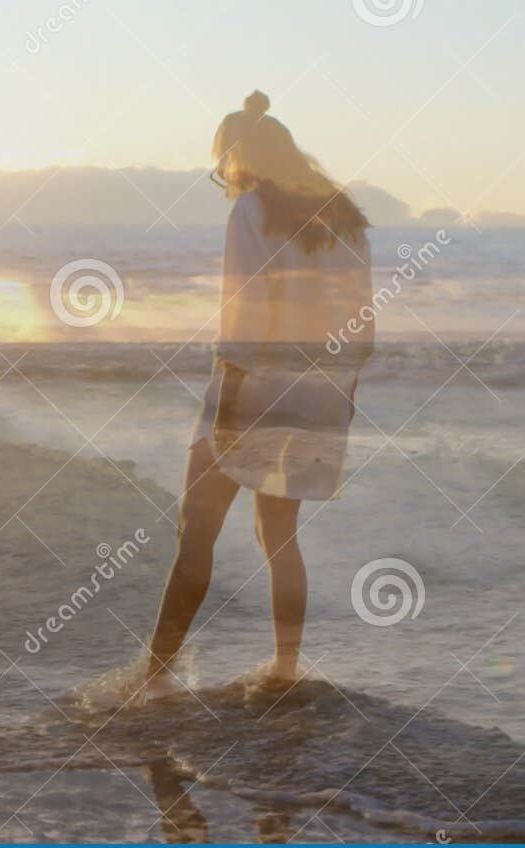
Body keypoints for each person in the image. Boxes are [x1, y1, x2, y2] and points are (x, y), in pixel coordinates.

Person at [144, 90, 374, 698]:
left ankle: (155, 681)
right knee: (280, 535)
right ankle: (284, 669)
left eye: (223, 159)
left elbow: (246, 312)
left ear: (239, 155)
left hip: (253, 383)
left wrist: (231, 392)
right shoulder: (344, 216)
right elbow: (362, 322)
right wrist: (343, 391)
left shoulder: (252, 211)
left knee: (197, 530)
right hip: (321, 393)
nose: (224, 173)